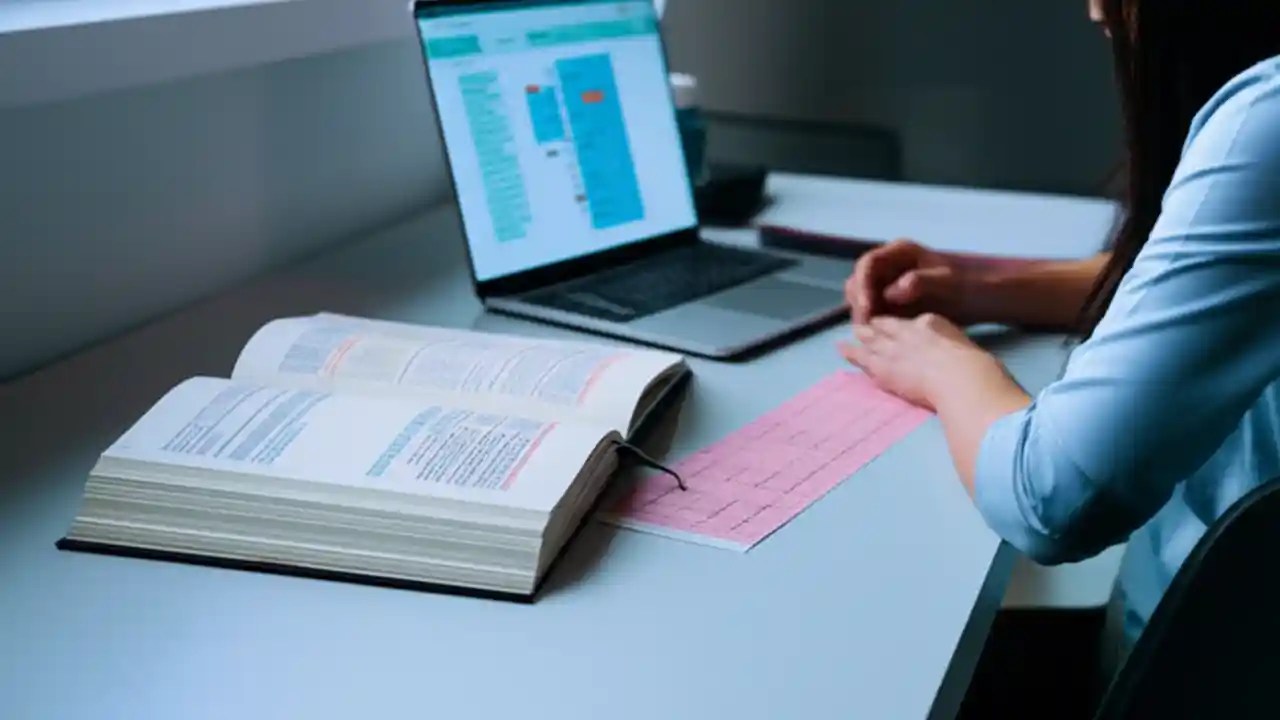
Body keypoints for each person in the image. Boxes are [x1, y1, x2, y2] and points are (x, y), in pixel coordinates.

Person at [841, 0, 1280, 672]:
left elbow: (1049, 496)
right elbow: (1231, 289)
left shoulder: (1269, 121)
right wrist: (981, 286)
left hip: (1203, 666)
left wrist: (944, 365)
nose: (1095, 6)